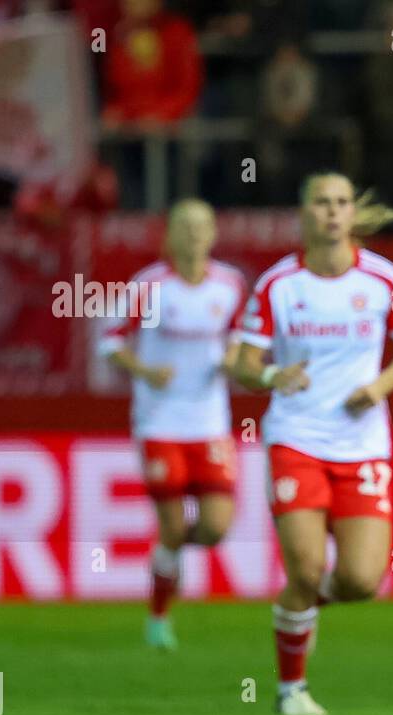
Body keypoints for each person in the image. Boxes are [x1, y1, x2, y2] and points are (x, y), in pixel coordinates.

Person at [230, 172, 393, 715]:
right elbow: (241, 362)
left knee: (363, 580)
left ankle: (298, 615)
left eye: (342, 201)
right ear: (304, 213)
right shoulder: (279, 284)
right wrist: (272, 377)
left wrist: (378, 388)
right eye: (322, 201)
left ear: (351, 212)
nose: (333, 211)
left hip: (362, 442)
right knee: (306, 568)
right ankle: (291, 689)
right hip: (295, 438)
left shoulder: (382, 277)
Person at [97, 198, 247, 650]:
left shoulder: (230, 284)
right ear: (170, 235)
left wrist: (232, 363)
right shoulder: (151, 286)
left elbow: (240, 337)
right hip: (159, 421)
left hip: (210, 421)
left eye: (202, 226)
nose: (195, 234)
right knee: (172, 523)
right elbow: (110, 340)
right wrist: (144, 372)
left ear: (213, 234)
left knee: (216, 528)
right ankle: (160, 617)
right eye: (185, 226)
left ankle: (167, 558)